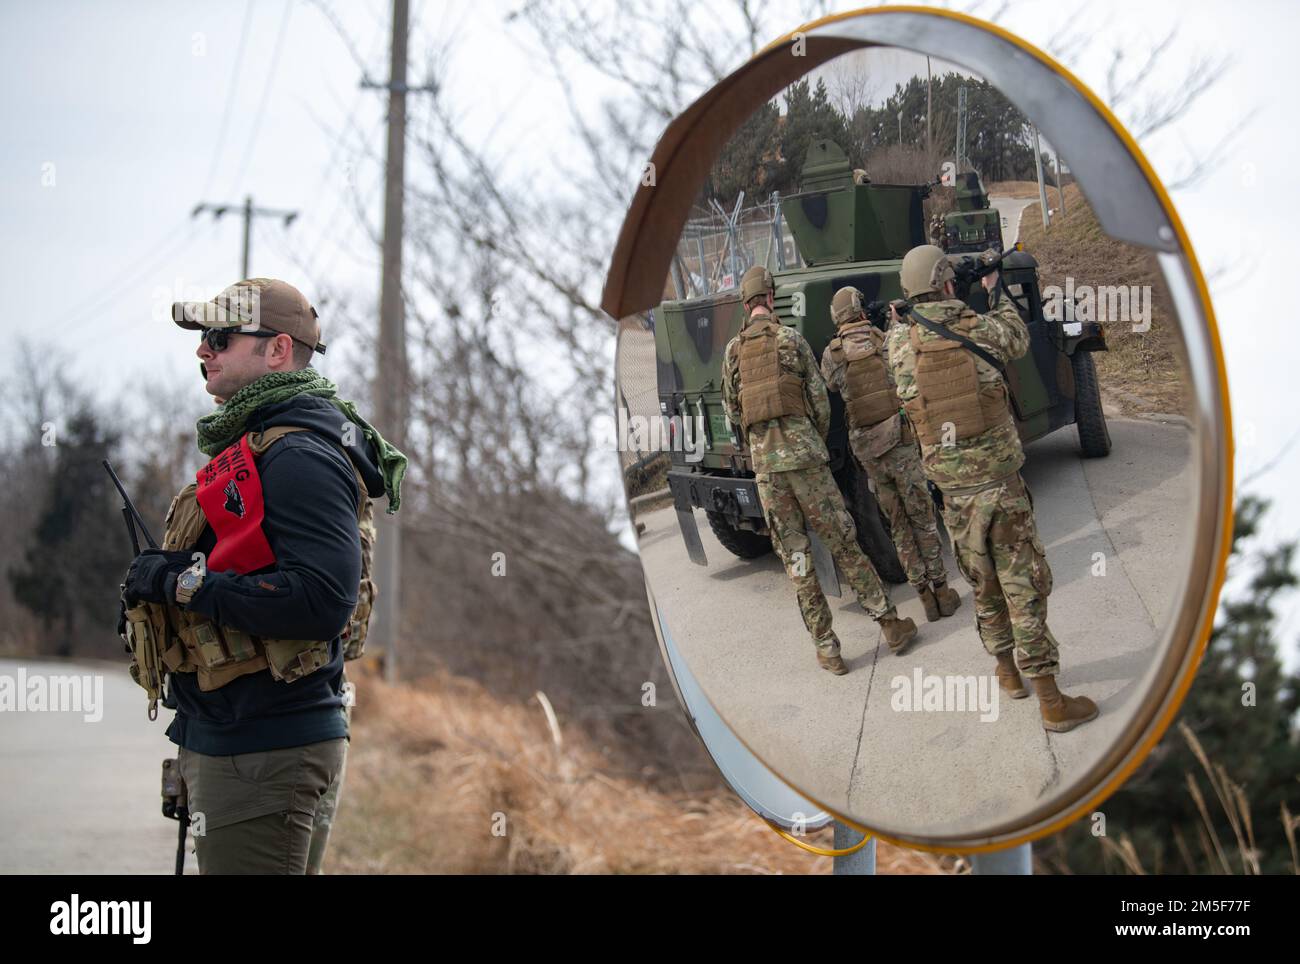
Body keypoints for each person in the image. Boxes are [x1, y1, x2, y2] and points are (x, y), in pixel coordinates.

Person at [118, 277, 405, 872]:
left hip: (264, 749)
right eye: (203, 339)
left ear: (277, 350)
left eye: (220, 338)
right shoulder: (267, 442)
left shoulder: (299, 455)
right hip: (251, 742)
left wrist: (182, 583)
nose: (204, 351)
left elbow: (322, 599)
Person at [885, 246, 1098, 732]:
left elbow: (898, 337)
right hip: (1000, 487)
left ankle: (1005, 672)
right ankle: (1050, 700)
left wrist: (904, 315)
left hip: (953, 497)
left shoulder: (899, 346)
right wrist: (994, 288)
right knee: (1023, 586)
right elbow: (1018, 335)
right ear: (945, 283)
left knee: (983, 586)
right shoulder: (980, 327)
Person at [721, 265, 917, 675]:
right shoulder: (790, 340)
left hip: (767, 471)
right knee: (845, 543)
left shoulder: (732, 353)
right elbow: (820, 402)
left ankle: (828, 649)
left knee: (797, 560)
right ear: (771, 298)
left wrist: (761, 447)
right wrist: (809, 439)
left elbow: (732, 413)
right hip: (806, 459)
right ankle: (890, 625)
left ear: (745, 303)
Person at [820, 285, 961, 623]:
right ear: (860, 309)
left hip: (868, 452)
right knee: (922, 517)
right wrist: (895, 323)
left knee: (897, 524)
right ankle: (942, 590)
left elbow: (830, 385)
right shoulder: (884, 339)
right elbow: (903, 360)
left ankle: (924, 596)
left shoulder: (832, 355)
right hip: (899, 442)